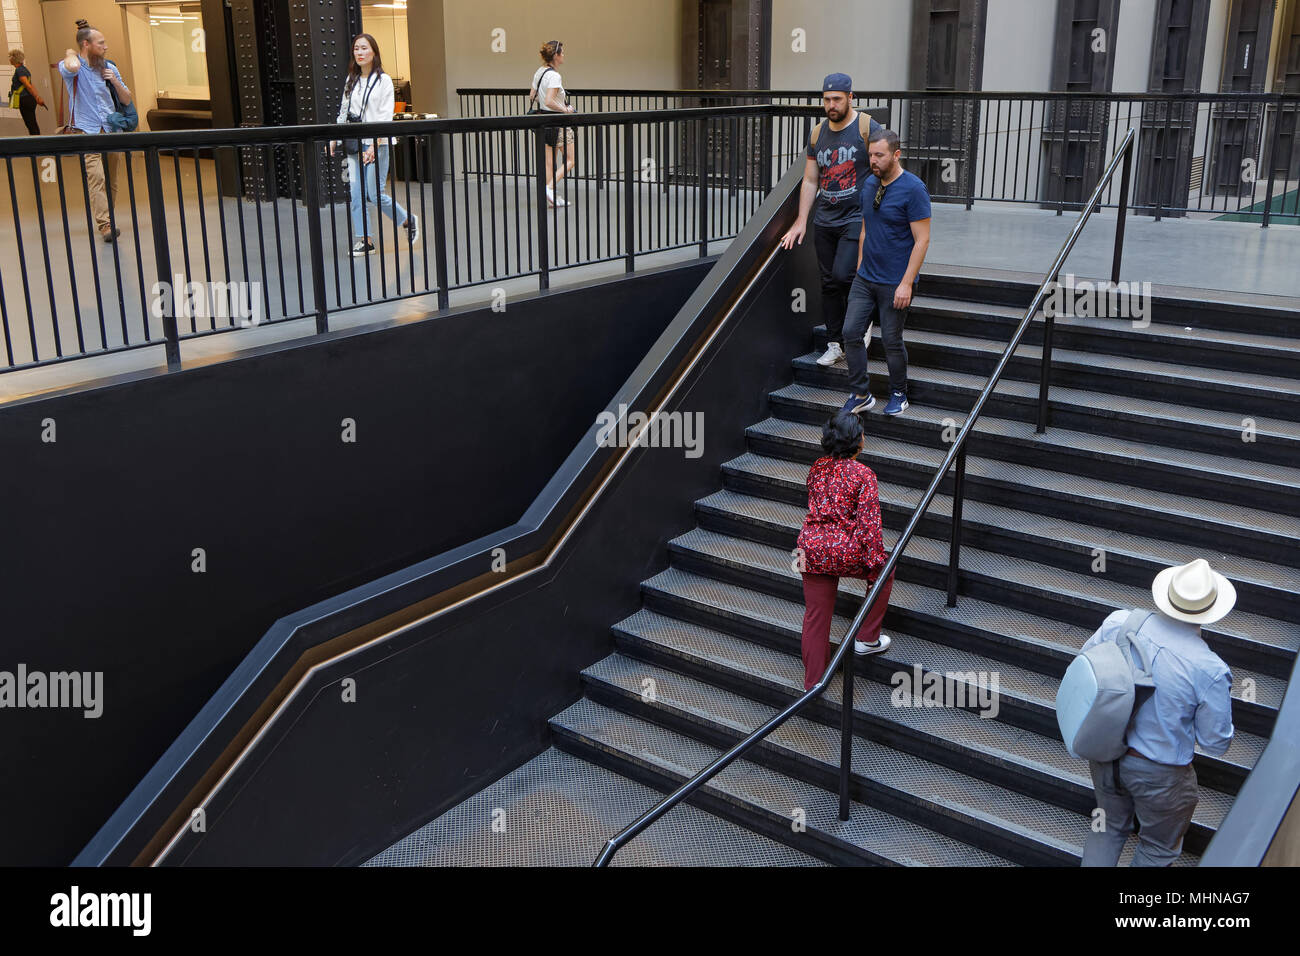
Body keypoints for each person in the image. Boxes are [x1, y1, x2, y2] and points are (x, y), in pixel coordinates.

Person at [1080, 558, 1236, 867]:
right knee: (1158, 848)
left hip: (1105, 750)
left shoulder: (1119, 623)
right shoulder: (1210, 670)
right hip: (1161, 773)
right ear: (1210, 612)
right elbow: (1215, 742)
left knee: (1107, 828)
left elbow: (1086, 670)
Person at [780, 73, 881, 368]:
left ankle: (861, 326)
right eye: (827, 99)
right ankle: (835, 343)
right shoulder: (817, 133)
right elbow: (811, 180)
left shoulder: (866, 127)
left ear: (851, 98)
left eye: (837, 99)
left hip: (856, 215)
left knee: (842, 275)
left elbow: (883, 164)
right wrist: (801, 220)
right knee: (828, 283)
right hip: (825, 217)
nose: (831, 105)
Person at [795, 412, 895, 692]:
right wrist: (876, 564)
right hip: (843, 549)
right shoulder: (864, 474)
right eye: (862, 432)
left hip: (810, 548)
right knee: (886, 571)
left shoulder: (817, 467)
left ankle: (813, 683)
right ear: (856, 441)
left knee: (815, 615)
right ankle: (866, 638)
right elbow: (869, 524)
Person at [840, 129, 931, 417]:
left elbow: (922, 240)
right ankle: (860, 393)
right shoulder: (869, 184)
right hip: (866, 277)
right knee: (850, 332)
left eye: (879, 155)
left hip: (895, 281)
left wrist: (906, 283)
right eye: (870, 155)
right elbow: (866, 228)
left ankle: (898, 393)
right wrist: (859, 266)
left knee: (891, 340)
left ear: (896, 154)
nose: (873, 160)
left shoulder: (914, 189)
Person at [330, 33, 418, 258]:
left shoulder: (384, 81)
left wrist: (374, 145)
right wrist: (335, 137)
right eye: (356, 49)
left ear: (374, 53)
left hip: (377, 144)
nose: (359, 53)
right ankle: (365, 240)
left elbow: (385, 115)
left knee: (374, 193)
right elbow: (344, 112)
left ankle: (407, 219)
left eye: (364, 48)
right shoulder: (351, 80)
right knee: (356, 193)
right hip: (354, 145)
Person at [57, 20, 132, 242]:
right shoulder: (72, 68)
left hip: (111, 130)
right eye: (101, 43)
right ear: (86, 44)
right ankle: (105, 224)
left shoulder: (110, 67)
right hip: (88, 131)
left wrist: (115, 82)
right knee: (96, 177)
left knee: (112, 180)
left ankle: (108, 216)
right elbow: (70, 66)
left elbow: (127, 99)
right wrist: (71, 50)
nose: (105, 46)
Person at [529, 40, 576, 207]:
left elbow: (532, 95)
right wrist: (565, 109)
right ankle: (548, 188)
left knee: (549, 161)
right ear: (556, 56)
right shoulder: (555, 76)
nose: (563, 55)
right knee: (570, 160)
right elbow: (549, 100)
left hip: (544, 121)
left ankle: (551, 199)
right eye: (562, 53)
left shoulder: (539, 72)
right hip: (558, 121)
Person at [8, 49, 47, 136]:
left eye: (10, 56)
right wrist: (37, 97)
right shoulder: (24, 69)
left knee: (31, 125)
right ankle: (38, 143)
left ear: (14, 58)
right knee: (32, 123)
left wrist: (37, 97)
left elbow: (28, 86)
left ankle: (37, 145)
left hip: (25, 99)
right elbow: (30, 85)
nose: (9, 59)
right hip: (29, 99)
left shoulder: (19, 70)